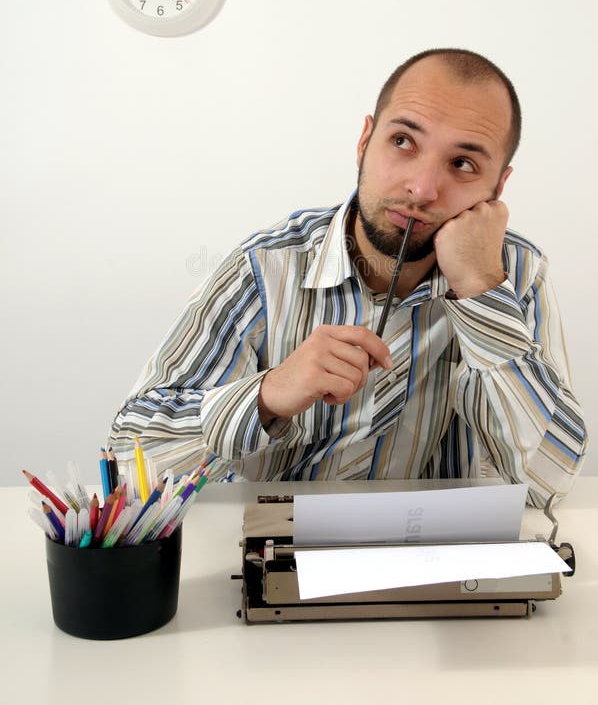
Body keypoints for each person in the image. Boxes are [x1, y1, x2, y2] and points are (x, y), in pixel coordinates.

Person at [108, 48, 587, 505]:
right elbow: (129, 461)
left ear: (497, 187)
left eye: (463, 163)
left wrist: (483, 291)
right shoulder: (267, 266)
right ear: (365, 141)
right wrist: (267, 395)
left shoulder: (516, 276)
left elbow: (548, 484)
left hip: (438, 564)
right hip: (277, 557)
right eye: (403, 142)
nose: (421, 188)